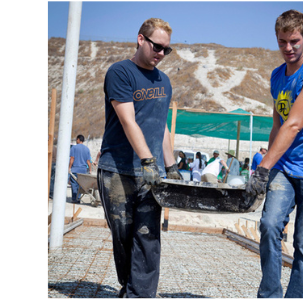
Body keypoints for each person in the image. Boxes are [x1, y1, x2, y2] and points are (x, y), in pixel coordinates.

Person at [247, 10, 303, 298]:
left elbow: (295, 124)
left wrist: (262, 168)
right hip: (286, 168)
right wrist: (267, 169)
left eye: (294, 41)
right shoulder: (277, 76)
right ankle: (270, 294)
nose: (288, 48)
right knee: (269, 224)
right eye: (282, 41)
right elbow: (277, 126)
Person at [95, 18, 179, 298]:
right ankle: (129, 287)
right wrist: (147, 161)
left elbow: (161, 125)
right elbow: (128, 120)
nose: (160, 54)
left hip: (151, 175)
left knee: (148, 237)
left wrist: (171, 166)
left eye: (166, 50)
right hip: (118, 171)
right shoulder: (120, 73)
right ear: (141, 39)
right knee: (124, 238)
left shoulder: (164, 81)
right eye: (157, 46)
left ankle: (139, 294)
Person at [68, 135, 92, 204]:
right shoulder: (87, 149)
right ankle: (78, 199)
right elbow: (88, 161)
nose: (76, 140)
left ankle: (74, 199)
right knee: (80, 185)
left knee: (74, 184)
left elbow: (72, 158)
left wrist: (69, 168)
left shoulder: (74, 148)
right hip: (83, 171)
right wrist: (90, 170)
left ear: (78, 139)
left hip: (75, 169)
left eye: (76, 139)